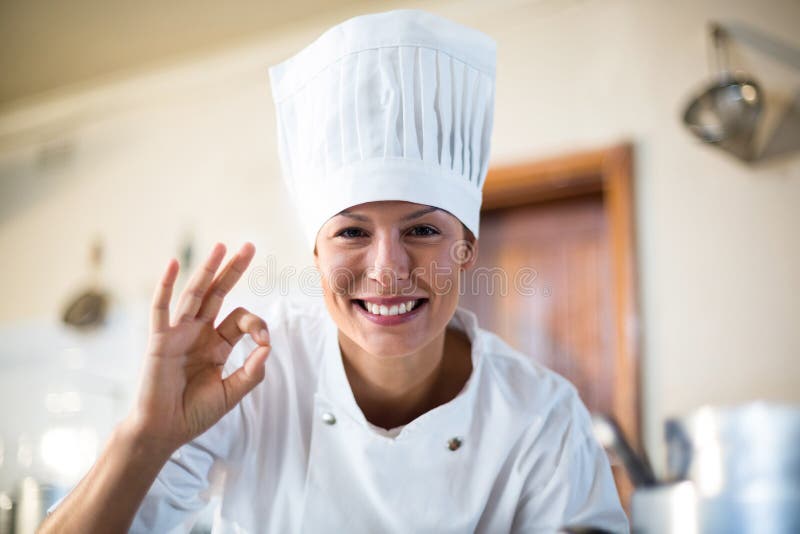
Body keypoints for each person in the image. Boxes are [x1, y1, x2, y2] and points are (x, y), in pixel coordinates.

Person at [41, 9, 629, 534]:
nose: (388, 268)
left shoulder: (541, 416)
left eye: (422, 230)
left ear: (466, 249)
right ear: (315, 253)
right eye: (351, 232)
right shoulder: (251, 371)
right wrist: (145, 438)